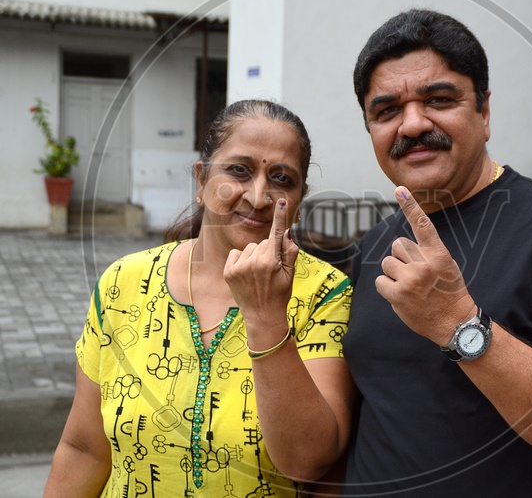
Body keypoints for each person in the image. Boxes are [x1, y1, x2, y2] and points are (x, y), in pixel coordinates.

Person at [341, 9, 532, 497]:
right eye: (387, 110)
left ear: (484, 112)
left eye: (439, 100)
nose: (413, 124)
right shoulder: (374, 245)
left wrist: (458, 323)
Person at [44, 99, 355, 497]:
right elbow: (83, 449)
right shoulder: (124, 283)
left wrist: (264, 314)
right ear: (201, 181)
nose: (259, 196)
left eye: (281, 178)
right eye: (238, 170)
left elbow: (308, 460)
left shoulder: (325, 293)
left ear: (298, 201)